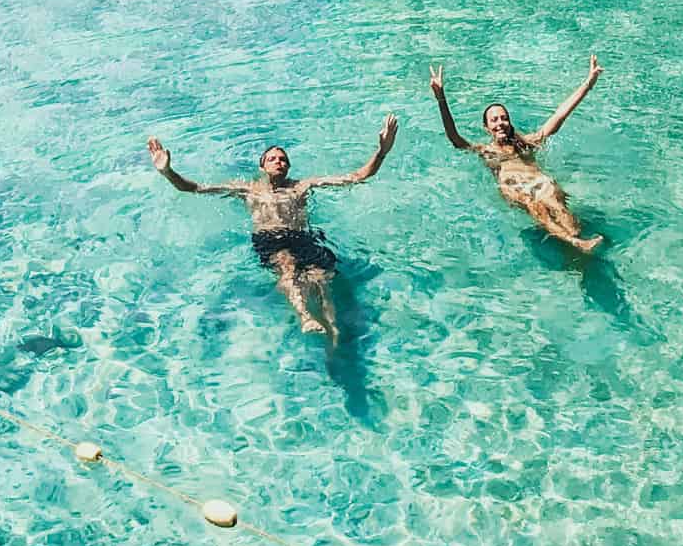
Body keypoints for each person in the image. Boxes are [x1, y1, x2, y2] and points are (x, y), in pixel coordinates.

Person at [146, 116, 398, 339]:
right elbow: (194, 188)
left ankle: (332, 327)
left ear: (288, 166)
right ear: (262, 166)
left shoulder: (302, 186)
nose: (279, 162)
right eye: (273, 158)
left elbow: (357, 176)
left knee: (321, 278)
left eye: (283, 159)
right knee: (288, 269)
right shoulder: (246, 189)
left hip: (302, 236)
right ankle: (304, 317)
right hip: (270, 238)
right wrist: (168, 171)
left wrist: (381, 152)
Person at [429, 57, 603, 251]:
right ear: (486, 128)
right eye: (494, 120)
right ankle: (576, 243)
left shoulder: (527, 143)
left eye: (504, 118)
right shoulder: (486, 151)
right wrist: (441, 98)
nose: (500, 123)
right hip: (515, 188)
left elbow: (560, 115)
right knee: (537, 207)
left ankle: (576, 241)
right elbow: (455, 138)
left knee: (558, 205)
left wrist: (588, 83)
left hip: (540, 183)